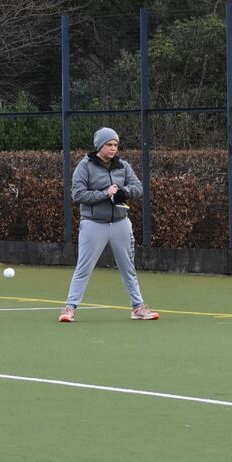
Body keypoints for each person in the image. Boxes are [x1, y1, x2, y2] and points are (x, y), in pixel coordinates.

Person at [59, 127, 159, 323]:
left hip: (121, 223)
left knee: (128, 267)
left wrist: (124, 191)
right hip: (93, 224)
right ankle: (69, 308)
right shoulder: (85, 166)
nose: (113, 148)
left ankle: (138, 308)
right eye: (109, 145)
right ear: (100, 146)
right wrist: (105, 193)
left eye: (115, 145)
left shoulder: (123, 166)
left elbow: (138, 187)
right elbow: (78, 194)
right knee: (84, 267)